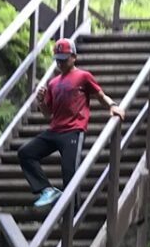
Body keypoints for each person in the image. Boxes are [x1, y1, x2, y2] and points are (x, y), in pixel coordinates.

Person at [18, 37, 126, 209]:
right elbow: (48, 114)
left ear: (74, 57)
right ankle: (46, 189)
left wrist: (112, 105)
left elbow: (100, 95)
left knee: (70, 175)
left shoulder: (83, 76)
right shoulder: (53, 83)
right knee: (25, 153)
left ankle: (73, 217)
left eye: (64, 59)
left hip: (73, 132)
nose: (60, 63)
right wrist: (40, 102)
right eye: (58, 60)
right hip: (55, 130)